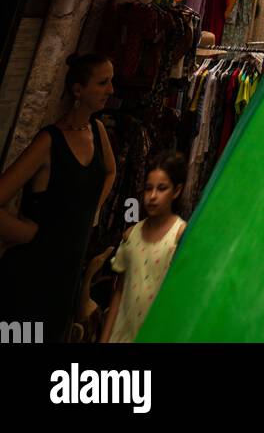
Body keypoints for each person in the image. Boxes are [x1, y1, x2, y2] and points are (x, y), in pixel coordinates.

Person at [0, 53, 116, 342]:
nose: (111, 90)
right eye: (103, 83)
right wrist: (32, 235)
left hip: (65, 282)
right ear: (78, 90)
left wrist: (90, 211)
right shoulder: (49, 141)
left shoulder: (97, 131)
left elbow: (110, 172)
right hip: (30, 281)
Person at [100, 151, 187, 344]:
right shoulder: (131, 235)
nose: (152, 196)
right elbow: (119, 293)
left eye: (162, 188)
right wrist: (104, 339)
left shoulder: (180, 236)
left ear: (176, 191)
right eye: (148, 188)